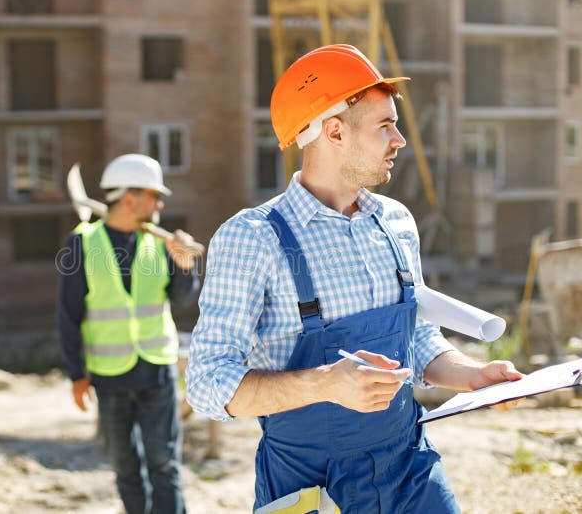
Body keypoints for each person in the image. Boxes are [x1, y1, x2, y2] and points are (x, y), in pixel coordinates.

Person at [184, 44, 524, 513]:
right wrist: (324, 383)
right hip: (311, 485)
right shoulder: (252, 239)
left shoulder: (396, 222)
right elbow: (206, 383)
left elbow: (417, 340)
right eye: (385, 125)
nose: (400, 140)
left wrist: (473, 376)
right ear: (335, 131)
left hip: (410, 467)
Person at [57, 153, 198, 514]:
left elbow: (182, 298)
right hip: (109, 375)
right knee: (125, 469)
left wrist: (185, 266)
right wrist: (76, 374)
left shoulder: (160, 243)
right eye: (154, 195)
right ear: (130, 198)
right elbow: (69, 315)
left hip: (157, 370)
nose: (160, 203)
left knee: (164, 464)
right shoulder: (83, 243)